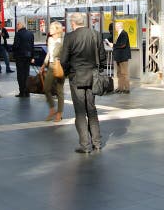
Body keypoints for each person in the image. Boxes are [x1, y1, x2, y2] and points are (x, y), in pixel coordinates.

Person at [60, 12, 105, 153]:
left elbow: (63, 60)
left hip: (77, 77)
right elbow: (102, 56)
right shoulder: (95, 34)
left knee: (80, 112)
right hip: (92, 77)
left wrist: (69, 73)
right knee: (92, 109)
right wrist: (98, 71)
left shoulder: (69, 37)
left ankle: (85, 145)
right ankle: (97, 142)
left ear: (72, 23)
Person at [42, 21, 65, 122]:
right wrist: (44, 64)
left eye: (51, 28)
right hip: (50, 66)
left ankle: (59, 113)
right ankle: (52, 109)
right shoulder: (50, 39)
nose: (49, 30)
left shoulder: (62, 41)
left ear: (57, 30)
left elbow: (62, 54)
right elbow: (49, 53)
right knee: (46, 88)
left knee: (59, 91)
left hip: (59, 66)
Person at [12, 21, 35, 98]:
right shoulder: (30, 34)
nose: (17, 26)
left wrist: (13, 50)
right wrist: (32, 57)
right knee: (26, 74)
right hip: (28, 57)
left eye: (17, 24)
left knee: (20, 75)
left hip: (20, 57)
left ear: (21, 25)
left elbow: (16, 45)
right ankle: (27, 92)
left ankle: (22, 92)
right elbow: (32, 46)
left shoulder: (18, 34)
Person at [112, 22, 131, 94]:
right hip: (119, 56)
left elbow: (123, 45)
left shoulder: (124, 33)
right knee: (119, 73)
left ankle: (126, 88)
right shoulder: (119, 34)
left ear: (119, 26)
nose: (115, 28)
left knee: (124, 73)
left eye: (116, 26)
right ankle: (120, 88)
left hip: (123, 56)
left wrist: (113, 45)